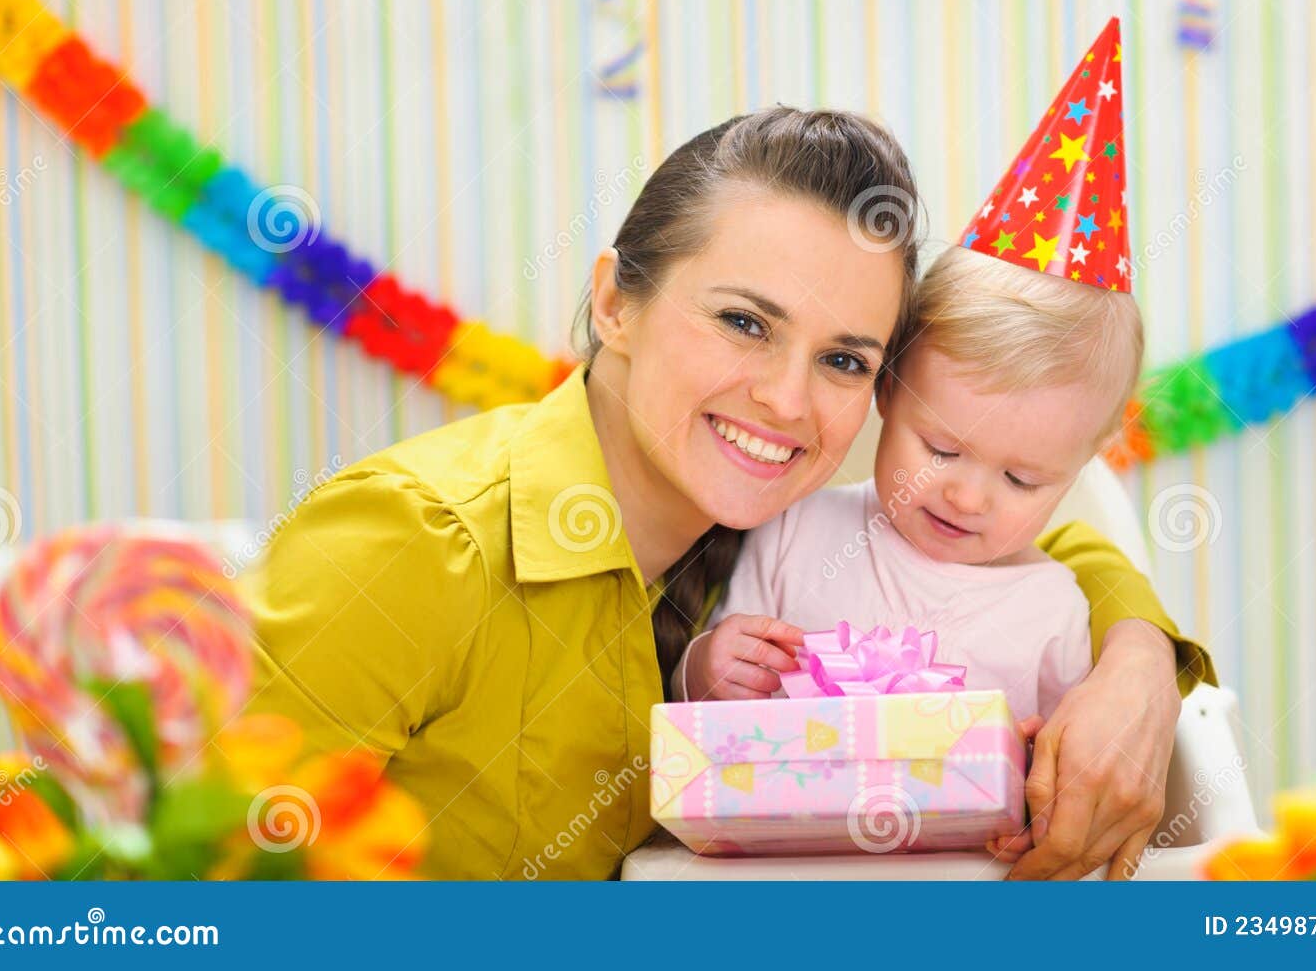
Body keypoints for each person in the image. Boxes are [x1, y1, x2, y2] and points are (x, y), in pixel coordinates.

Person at [245, 102, 1211, 880]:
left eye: (843, 358)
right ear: (616, 303)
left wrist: (1135, 659)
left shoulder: (760, 527)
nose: (787, 400)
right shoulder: (415, 544)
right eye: (745, 322)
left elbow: (1014, 554)